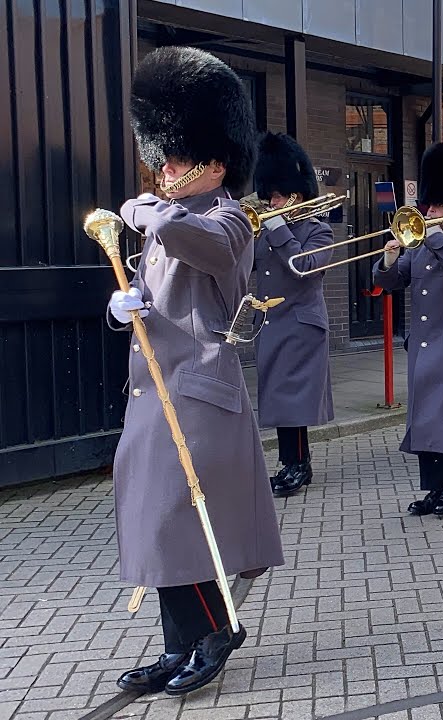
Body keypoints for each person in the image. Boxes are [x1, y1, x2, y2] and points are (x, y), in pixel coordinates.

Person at [106, 46, 283, 697]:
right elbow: (153, 297)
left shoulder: (229, 217)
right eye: (163, 157)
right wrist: (122, 307)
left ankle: (216, 629)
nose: (165, 168)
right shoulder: (167, 222)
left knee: (174, 523)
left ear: (216, 161)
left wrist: (149, 210)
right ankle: (178, 644)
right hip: (154, 394)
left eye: (177, 158)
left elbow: (203, 247)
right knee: (159, 528)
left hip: (199, 397)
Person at [374, 143, 443, 517]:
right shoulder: (419, 245)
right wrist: (388, 258)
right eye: (429, 205)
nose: (428, 211)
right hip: (423, 345)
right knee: (425, 420)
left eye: (435, 206)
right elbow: (393, 281)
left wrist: (435, 235)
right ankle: (434, 489)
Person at [250, 132, 336, 498]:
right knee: (279, 398)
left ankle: (297, 465)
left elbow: (306, 267)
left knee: (294, 400)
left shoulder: (318, 229)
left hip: (301, 325)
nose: (271, 202)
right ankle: (292, 463)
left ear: (295, 195)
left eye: (277, 196)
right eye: (269, 195)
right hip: (271, 322)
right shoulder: (267, 231)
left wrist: (279, 229)